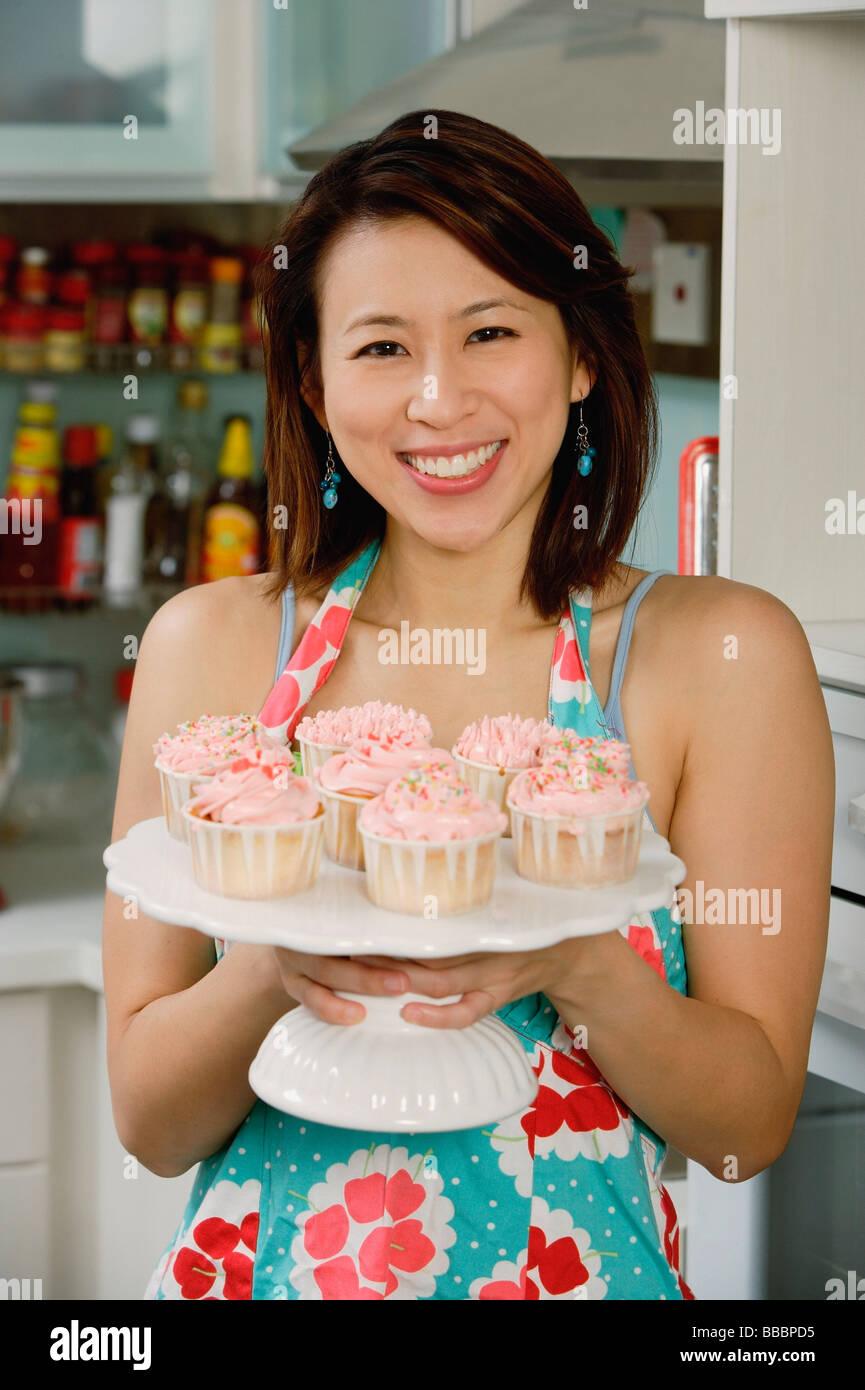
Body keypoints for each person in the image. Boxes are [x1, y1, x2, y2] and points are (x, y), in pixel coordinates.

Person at [103, 109, 834, 1301]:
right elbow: (151, 1124)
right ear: (314, 377)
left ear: (584, 354)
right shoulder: (214, 649)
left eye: (490, 332)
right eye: (382, 347)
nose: (438, 401)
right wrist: (276, 961)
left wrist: (581, 964)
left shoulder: (717, 655)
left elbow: (745, 1131)